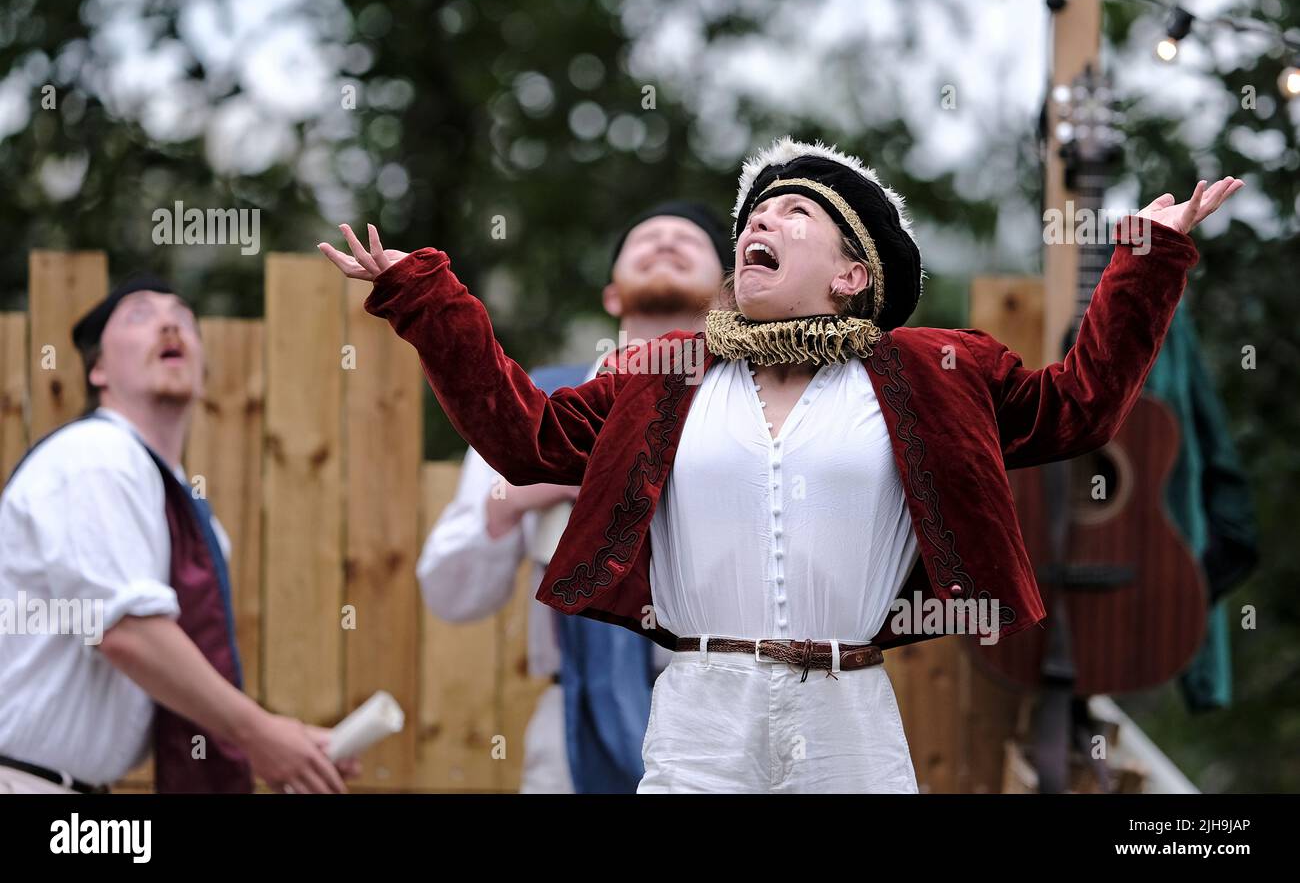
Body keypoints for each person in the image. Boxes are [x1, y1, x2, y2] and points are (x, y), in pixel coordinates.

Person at [319, 135, 1242, 793]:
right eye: (756, 212)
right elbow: (526, 438)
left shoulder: (932, 370)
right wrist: (425, 298)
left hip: (849, 714)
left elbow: (1078, 406)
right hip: (699, 714)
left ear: (852, 275)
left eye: (795, 211)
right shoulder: (664, 373)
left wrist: (1147, 263)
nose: (763, 217)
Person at [0, 276, 359, 794]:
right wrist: (258, 734)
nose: (170, 323)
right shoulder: (94, 459)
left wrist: (288, 740)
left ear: (203, 373)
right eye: (140, 314)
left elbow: (176, 667)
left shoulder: (188, 514)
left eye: (185, 319)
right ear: (97, 368)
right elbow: (128, 632)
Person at [417, 202, 729, 792]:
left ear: (725, 295)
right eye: (646, 237)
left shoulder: (754, 406)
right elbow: (449, 592)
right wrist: (514, 496)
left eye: (687, 238)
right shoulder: (535, 406)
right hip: (569, 738)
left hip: (722, 716)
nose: (664, 239)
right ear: (613, 296)